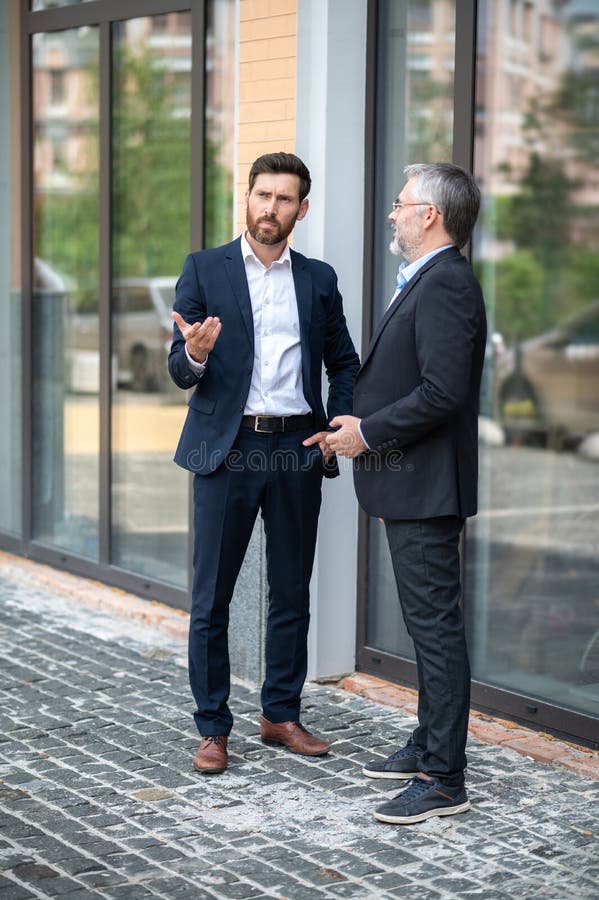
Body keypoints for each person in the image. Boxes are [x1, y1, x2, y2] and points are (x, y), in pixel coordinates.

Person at [168, 151, 360, 775]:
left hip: (297, 449)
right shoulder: (204, 269)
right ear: (245, 199)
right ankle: (213, 727)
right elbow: (178, 368)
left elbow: (345, 363)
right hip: (227, 450)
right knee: (211, 598)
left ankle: (279, 714)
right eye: (261, 195)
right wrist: (193, 357)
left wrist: (336, 425)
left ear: (301, 209)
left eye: (283, 199)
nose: (269, 208)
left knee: (290, 591)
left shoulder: (319, 279)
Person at [325, 162, 487, 825]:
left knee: (435, 631)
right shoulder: (428, 279)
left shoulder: (446, 283)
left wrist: (368, 433)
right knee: (427, 629)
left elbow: (442, 393)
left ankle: (442, 778)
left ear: (430, 216)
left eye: (399, 205)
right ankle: (427, 741)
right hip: (411, 483)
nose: (390, 215)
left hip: (425, 487)